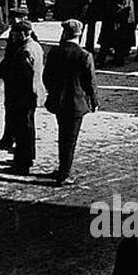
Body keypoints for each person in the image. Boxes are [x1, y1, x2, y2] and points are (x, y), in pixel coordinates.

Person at [43, 19, 99, 185]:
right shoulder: (85, 55)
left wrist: (53, 91)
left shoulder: (55, 52)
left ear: (64, 33)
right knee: (71, 139)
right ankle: (64, 173)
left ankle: (62, 168)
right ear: (79, 35)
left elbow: (47, 77)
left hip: (58, 101)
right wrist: (94, 100)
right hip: (76, 103)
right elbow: (90, 82)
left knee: (62, 135)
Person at [0, 15, 46, 173]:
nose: (13, 36)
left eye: (16, 33)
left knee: (22, 130)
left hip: (22, 96)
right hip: (32, 94)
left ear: (25, 33)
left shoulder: (25, 50)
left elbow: (22, 77)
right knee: (28, 127)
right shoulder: (35, 46)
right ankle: (26, 157)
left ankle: (22, 164)